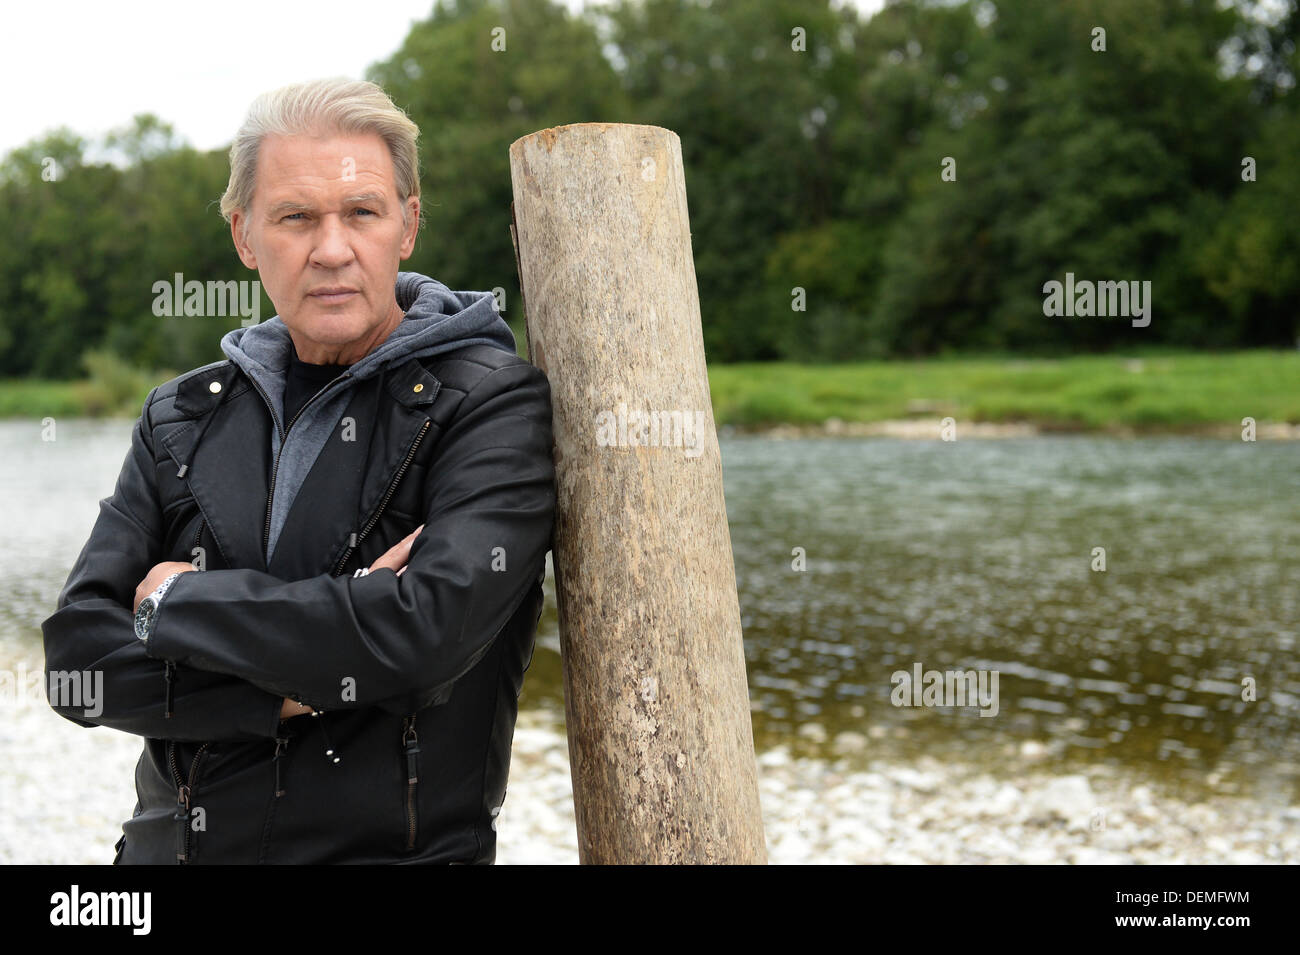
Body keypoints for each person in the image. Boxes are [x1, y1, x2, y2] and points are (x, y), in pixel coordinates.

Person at [40, 77, 557, 864]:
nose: (332, 248)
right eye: (295, 217)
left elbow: (422, 634)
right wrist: (312, 664)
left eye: (362, 212)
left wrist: (178, 602)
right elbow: (78, 663)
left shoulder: (488, 406)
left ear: (408, 225)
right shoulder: (179, 417)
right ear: (245, 235)